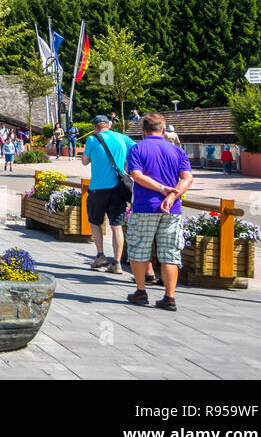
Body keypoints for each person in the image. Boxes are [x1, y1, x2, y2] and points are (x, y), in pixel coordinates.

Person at [124, 113, 193, 311]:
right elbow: (187, 178)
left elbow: (136, 175)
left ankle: (141, 291)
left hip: (145, 206)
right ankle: (169, 297)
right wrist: (172, 196)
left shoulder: (138, 148)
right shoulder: (177, 151)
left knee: (139, 248)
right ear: (164, 131)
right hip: (172, 209)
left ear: (143, 131)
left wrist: (162, 189)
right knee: (170, 252)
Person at [81, 114, 134, 273]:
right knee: (117, 226)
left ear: (94, 127)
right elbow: (136, 151)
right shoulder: (123, 138)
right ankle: (117, 263)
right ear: (109, 125)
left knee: (95, 222)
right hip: (118, 188)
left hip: (98, 187)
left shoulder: (92, 139)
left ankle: (100, 255)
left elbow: (84, 161)